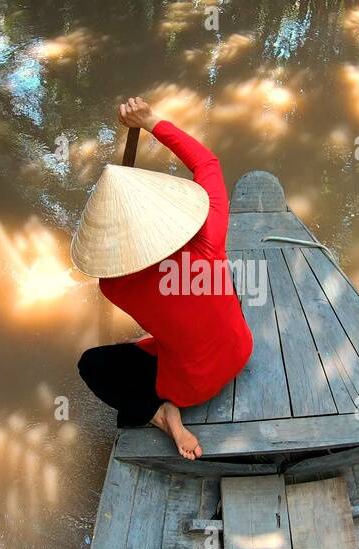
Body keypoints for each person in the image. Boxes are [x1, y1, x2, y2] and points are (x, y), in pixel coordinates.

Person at [72, 97, 253, 460]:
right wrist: (150, 119)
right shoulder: (209, 235)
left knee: (91, 365)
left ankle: (162, 416)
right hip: (240, 351)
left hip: (190, 387)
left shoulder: (115, 286)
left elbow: (140, 288)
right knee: (220, 278)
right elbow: (206, 162)